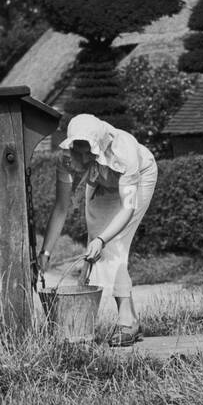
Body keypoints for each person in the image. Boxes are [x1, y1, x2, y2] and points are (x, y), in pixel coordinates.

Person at [37, 113, 158, 347]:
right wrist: (46, 252)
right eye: (77, 151)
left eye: (88, 151)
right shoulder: (65, 160)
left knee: (114, 242)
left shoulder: (125, 152)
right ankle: (132, 319)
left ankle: (126, 324)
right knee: (97, 245)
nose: (82, 157)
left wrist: (103, 239)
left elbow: (128, 208)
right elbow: (62, 207)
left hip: (138, 180)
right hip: (101, 181)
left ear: (99, 145)